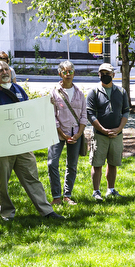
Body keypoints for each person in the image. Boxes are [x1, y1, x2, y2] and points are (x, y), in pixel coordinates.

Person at [0, 61, 63, 221]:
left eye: (6, 69)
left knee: (32, 177)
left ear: (10, 72)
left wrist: (46, 106)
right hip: (1, 145)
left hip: (23, 143)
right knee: (2, 182)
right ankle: (7, 213)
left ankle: (47, 211)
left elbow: (31, 112)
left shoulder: (19, 90)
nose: (4, 72)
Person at [86, 62, 130, 201]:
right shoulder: (93, 92)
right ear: (99, 75)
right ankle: (96, 191)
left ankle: (110, 190)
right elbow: (90, 114)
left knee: (113, 163)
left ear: (113, 75)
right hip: (100, 135)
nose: (105, 76)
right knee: (97, 163)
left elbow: (126, 112)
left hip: (117, 135)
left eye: (108, 74)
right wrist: (103, 130)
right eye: (102, 74)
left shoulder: (121, 92)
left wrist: (119, 129)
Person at [48, 61, 89, 206]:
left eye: (70, 71)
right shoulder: (54, 92)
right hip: (58, 133)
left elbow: (84, 115)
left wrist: (79, 133)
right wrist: (63, 134)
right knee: (52, 163)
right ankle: (56, 196)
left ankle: (67, 195)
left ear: (74, 73)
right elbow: (51, 116)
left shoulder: (79, 93)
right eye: (65, 72)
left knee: (72, 165)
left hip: (75, 133)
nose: (68, 74)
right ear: (60, 73)